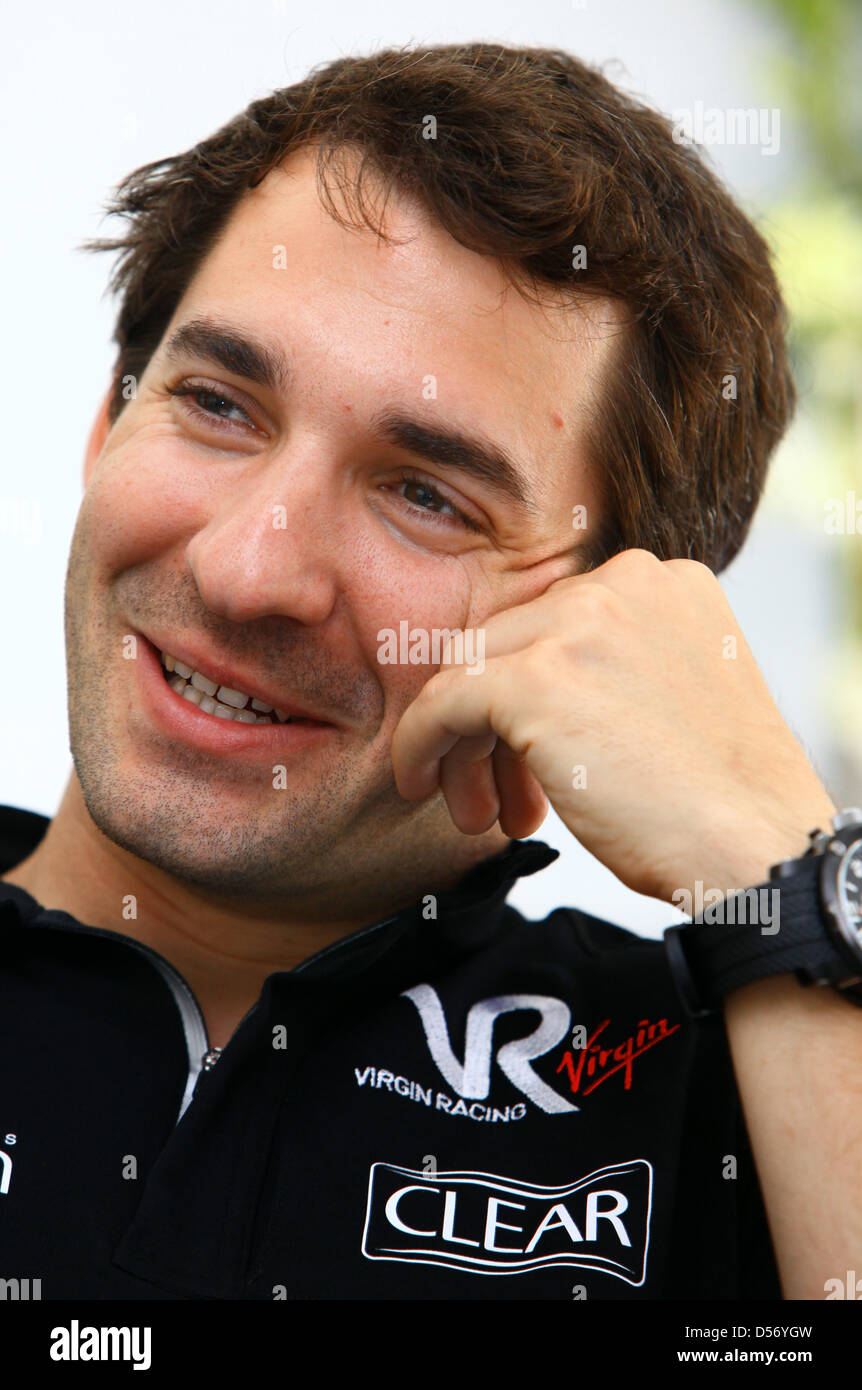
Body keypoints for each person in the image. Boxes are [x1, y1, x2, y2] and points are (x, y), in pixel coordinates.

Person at [1, 40, 859, 1303]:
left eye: (424, 495)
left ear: (614, 626)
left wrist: (780, 880)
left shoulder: (731, 1084)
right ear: (108, 421)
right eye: (219, 403)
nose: (249, 572)